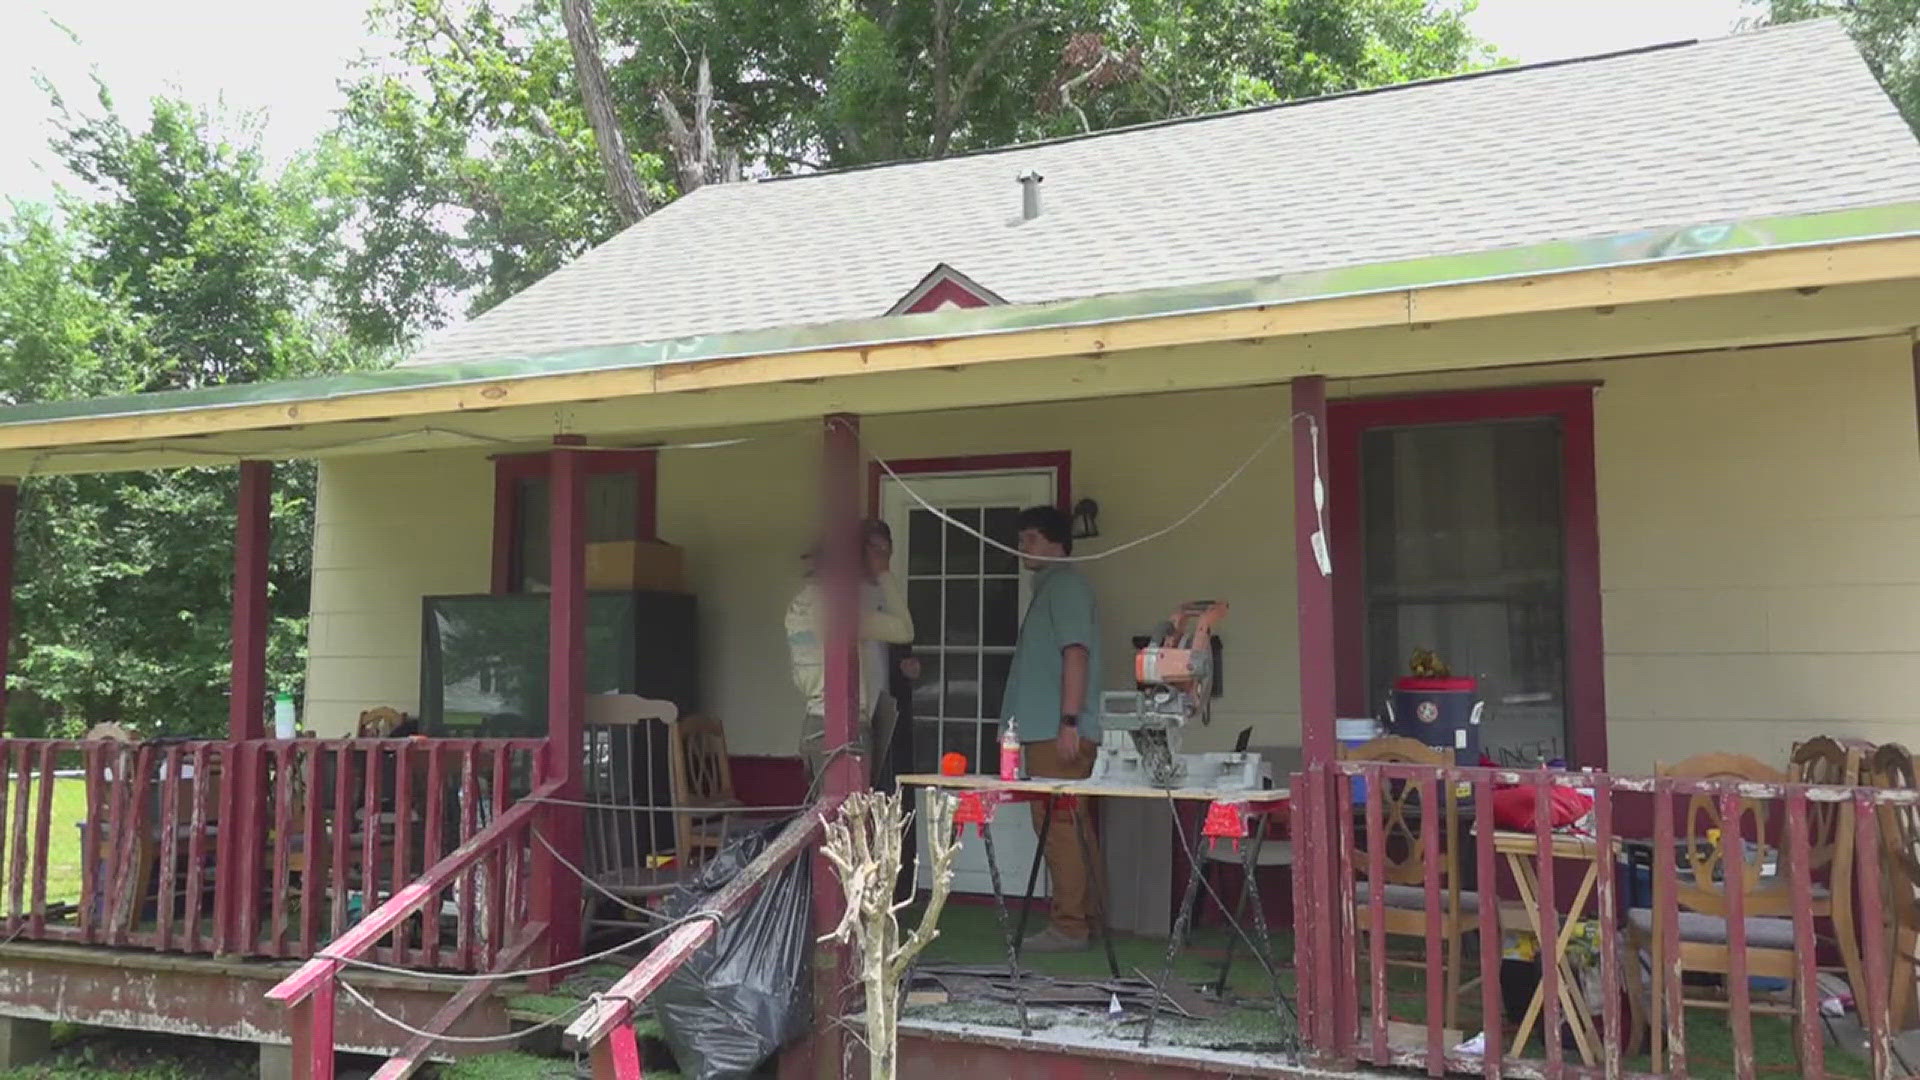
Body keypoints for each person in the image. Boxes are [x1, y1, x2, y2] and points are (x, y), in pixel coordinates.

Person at [1001, 504, 1104, 952]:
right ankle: (1085, 918)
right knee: (1070, 824)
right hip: (1044, 726)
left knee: (1060, 824)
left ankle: (1070, 926)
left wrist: (1069, 721)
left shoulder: (1064, 586)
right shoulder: (1052, 588)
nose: (1023, 546)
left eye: (1032, 538)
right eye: (1022, 538)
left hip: (1058, 728)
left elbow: (1075, 655)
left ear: (1058, 543)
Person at [787, 518, 914, 793]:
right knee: (851, 824)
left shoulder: (802, 602)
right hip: (845, 726)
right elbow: (904, 629)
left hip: (814, 723)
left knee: (825, 823)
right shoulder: (839, 609)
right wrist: (883, 573)